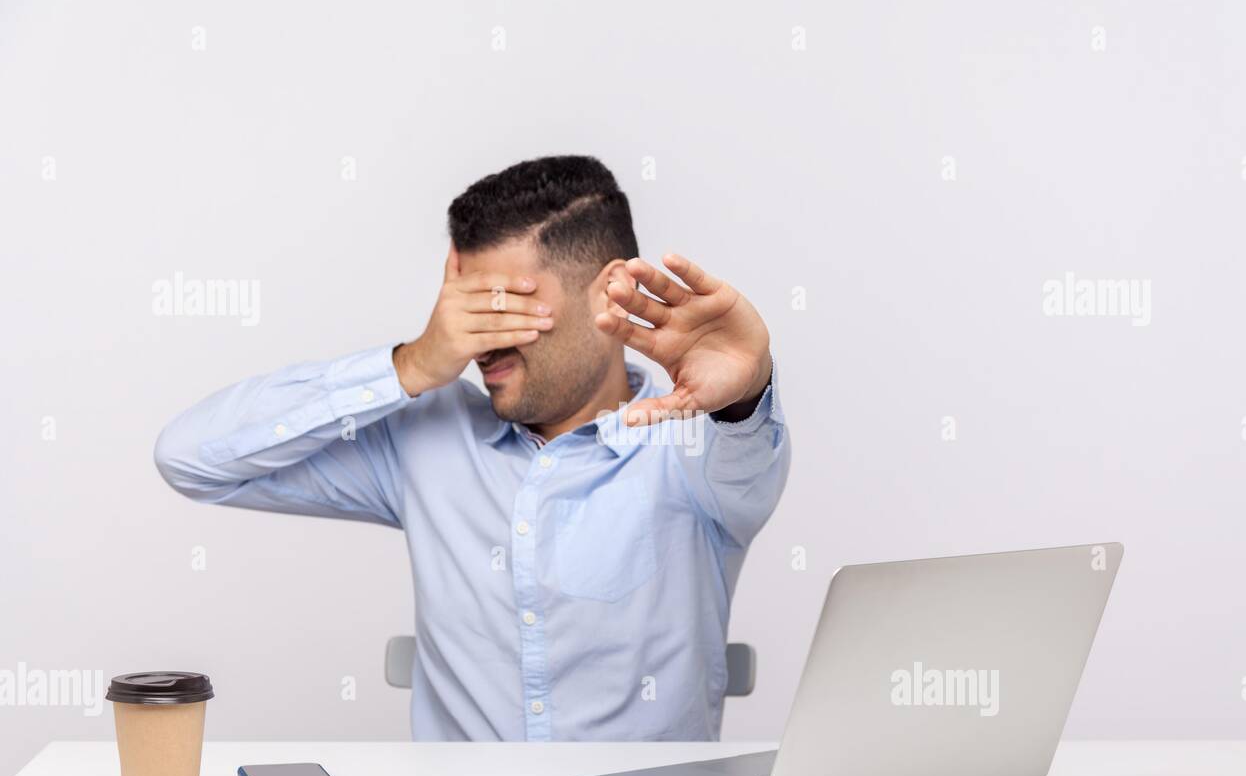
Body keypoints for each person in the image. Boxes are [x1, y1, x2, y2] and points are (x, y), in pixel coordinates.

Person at [154, 155, 791, 741]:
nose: (479, 343)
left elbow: (745, 450)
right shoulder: (425, 441)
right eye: (465, 308)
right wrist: (407, 367)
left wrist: (742, 392)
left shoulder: (694, 451)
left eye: (504, 306)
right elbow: (190, 458)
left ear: (607, 293)